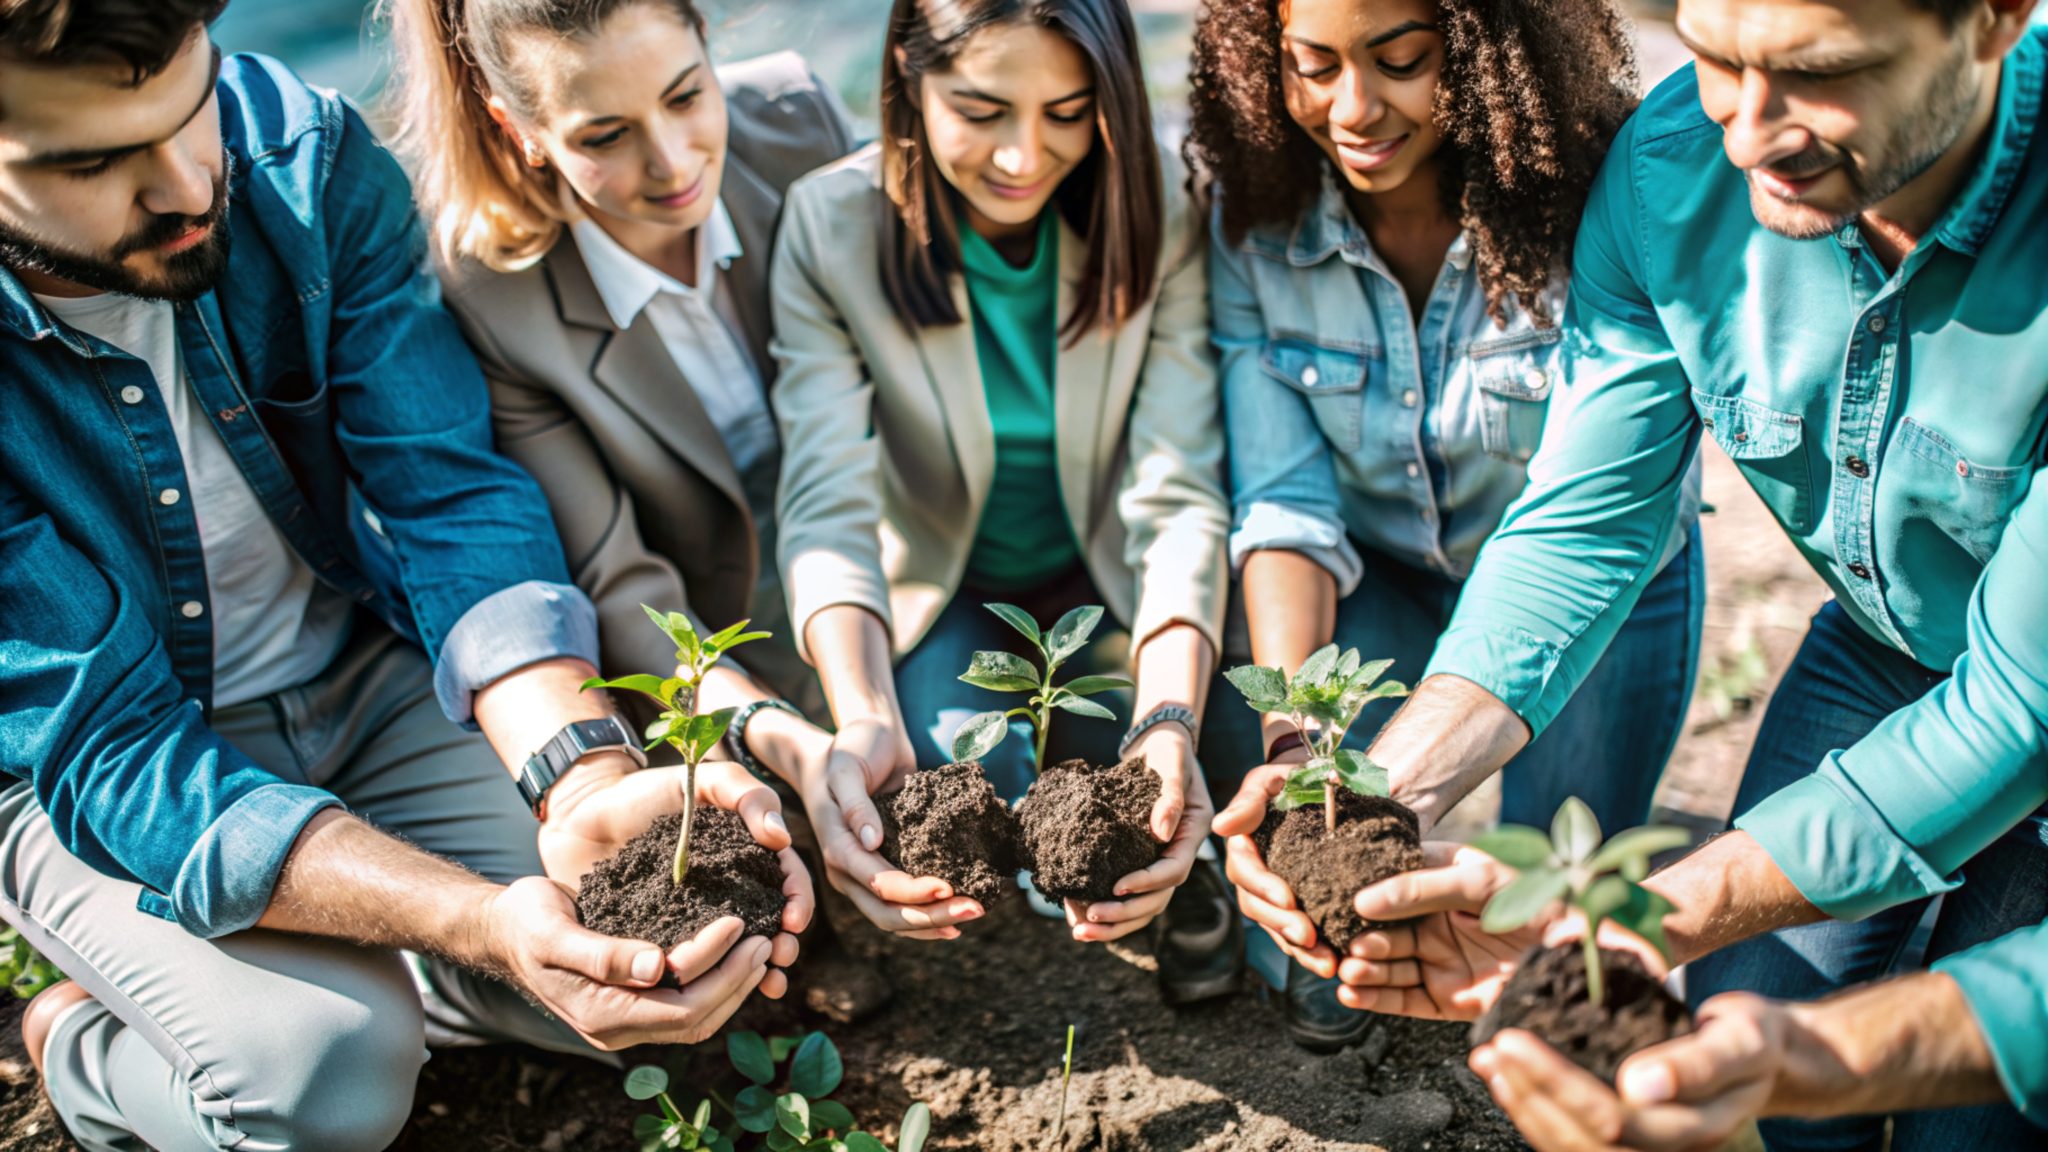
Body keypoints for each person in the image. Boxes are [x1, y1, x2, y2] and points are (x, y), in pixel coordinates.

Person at [1222, 0, 2048, 1145]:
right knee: (1749, 1029)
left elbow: (2020, 709)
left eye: (1818, 72)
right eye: (1715, 55)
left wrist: (1659, 909)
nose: (1747, 132)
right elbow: (1581, 528)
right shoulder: (1670, 174)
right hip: (1890, 646)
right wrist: (1377, 790)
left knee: (1970, 1121)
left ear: (1995, 18)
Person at [0, 4, 810, 1150]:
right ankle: (76, 1042)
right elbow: (112, 751)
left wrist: (579, 780)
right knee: (327, 1082)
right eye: (93, 161)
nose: (187, 188)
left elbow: (449, 496)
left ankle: (356, 959)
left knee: (656, 962)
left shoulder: (303, 157)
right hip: (84, 779)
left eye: (192, 113)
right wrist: (477, 921)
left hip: (361, 676)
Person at [1184, 0, 1703, 1051]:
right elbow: (1285, 503)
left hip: (1599, 597)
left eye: (1400, 60)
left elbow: (1591, 519)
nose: (1352, 107)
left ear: (1480, 49)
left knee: (1554, 903)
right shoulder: (1255, 220)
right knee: (1324, 911)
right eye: (1310, 65)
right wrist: (1298, 738)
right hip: (1377, 576)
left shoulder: (1590, 198)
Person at [384, 0, 877, 1016]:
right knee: (708, 865)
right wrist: (774, 736)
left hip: (869, 551)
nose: (670, 162)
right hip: (697, 638)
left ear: (709, 43)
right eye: (602, 136)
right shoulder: (489, 292)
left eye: (687, 95)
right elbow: (616, 577)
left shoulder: (799, 120)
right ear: (517, 129)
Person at [770, 0, 1238, 1001]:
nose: (1024, 156)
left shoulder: (1163, 211)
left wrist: (1167, 716)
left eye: (1069, 112)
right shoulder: (830, 224)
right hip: (950, 588)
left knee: (1180, 765)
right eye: (979, 110)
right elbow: (825, 503)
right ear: (907, 74)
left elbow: (1176, 495)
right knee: (955, 783)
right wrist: (859, 715)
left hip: (1108, 579)